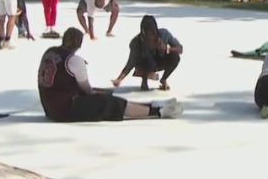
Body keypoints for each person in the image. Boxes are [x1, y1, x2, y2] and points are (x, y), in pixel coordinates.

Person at [37, 27, 184, 122]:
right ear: (79, 43)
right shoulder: (74, 61)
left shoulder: (50, 52)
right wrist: (98, 94)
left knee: (106, 97)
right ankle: (157, 111)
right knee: (112, 104)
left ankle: (151, 105)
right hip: (65, 109)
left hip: (50, 106)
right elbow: (87, 90)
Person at [112, 15, 183, 91]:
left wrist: (167, 48)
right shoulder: (136, 42)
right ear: (143, 32)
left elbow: (180, 49)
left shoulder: (164, 34)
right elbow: (130, 63)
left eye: (152, 34)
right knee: (146, 59)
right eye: (147, 35)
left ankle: (164, 79)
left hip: (160, 61)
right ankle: (144, 80)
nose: (150, 37)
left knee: (175, 57)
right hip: (144, 64)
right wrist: (119, 79)